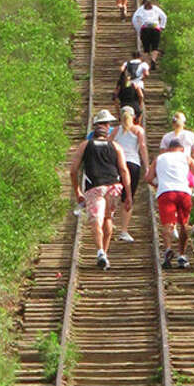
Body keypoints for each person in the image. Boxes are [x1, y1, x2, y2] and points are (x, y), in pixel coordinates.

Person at [70, 111, 130, 269]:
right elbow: (124, 170)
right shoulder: (116, 146)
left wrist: (77, 191)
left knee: (96, 220)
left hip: (95, 187)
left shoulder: (85, 145)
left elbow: (73, 170)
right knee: (108, 218)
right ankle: (105, 253)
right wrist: (128, 194)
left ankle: (100, 252)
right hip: (114, 187)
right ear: (107, 131)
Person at [152, 112, 194, 268]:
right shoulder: (190, 136)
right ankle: (181, 254)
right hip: (185, 177)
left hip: (167, 182)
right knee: (184, 222)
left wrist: (158, 183)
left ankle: (168, 249)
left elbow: (159, 162)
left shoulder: (166, 139)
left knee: (167, 222)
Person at [112, 106, 148, 243]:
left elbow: (109, 145)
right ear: (133, 116)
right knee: (128, 197)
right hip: (133, 164)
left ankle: (109, 221)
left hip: (117, 164)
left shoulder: (116, 131)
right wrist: (147, 166)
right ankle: (124, 230)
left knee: (114, 193)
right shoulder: (138, 130)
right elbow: (143, 148)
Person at [132, 0, 167, 66]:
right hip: (155, 27)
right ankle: (153, 60)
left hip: (145, 28)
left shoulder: (140, 9)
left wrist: (138, 29)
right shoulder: (155, 8)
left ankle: (146, 64)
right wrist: (162, 26)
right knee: (155, 47)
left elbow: (134, 19)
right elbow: (164, 16)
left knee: (146, 48)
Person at [116, 51, 149, 123]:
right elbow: (146, 74)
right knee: (138, 100)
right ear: (141, 56)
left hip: (128, 83)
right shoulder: (143, 64)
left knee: (126, 97)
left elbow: (121, 69)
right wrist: (140, 78)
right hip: (138, 84)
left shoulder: (127, 63)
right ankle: (138, 120)